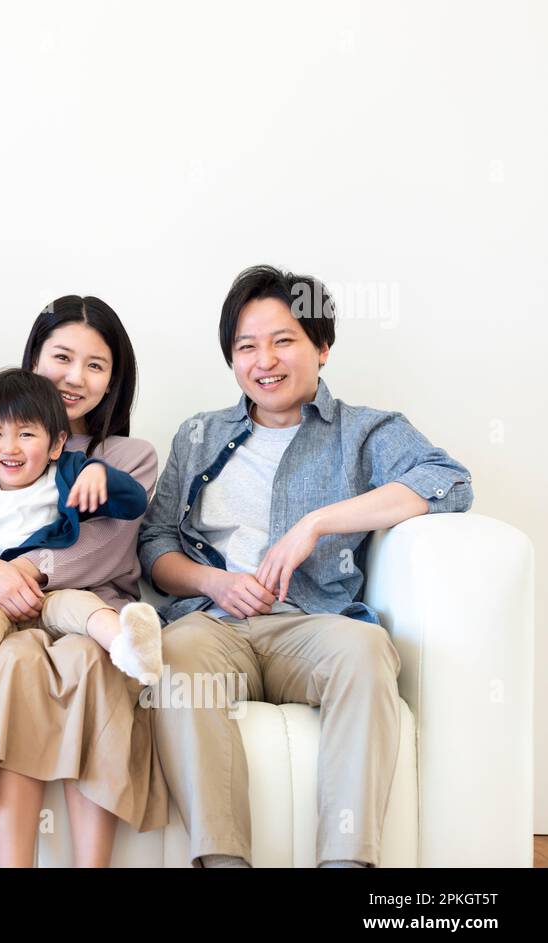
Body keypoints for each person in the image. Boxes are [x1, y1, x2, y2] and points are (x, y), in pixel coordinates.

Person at [139, 264, 473, 868]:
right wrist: (214, 581)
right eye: (247, 346)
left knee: (366, 651)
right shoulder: (198, 435)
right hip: (214, 624)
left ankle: (346, 863)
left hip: (314, 624)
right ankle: (223, 862)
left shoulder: (367, 432)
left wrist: (315, 523)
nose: (264, 360)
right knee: (174, 660)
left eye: (284, 339)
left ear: (322, 347)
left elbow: (448, 482)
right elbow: (156, 544)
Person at [0, 295, 168, 867]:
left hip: (87, 616)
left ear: (113, 381)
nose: (76, 377)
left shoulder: (128, 456)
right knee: (20, 663)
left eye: (96, 365)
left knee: (87, 661)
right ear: (34, 358)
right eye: (62, 357)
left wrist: (23, 569)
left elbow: (106, 545)